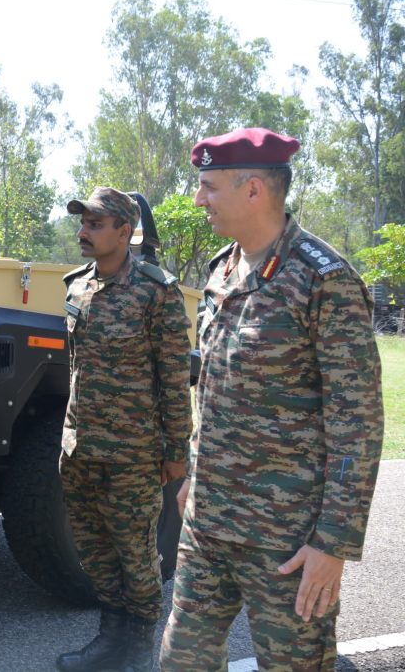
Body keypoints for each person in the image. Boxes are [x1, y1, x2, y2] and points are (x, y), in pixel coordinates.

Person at [159, 128, 384, 671]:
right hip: (208, 526)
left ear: (253, 190)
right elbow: (215, 390)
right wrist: (195, 472)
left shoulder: (322, 280)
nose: (198, 199)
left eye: (209, 187)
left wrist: (333, 545)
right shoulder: (220, 270)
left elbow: (357, 422)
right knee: (180, 662)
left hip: (286, 541)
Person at [56, 187, 193, 672]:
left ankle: (136, 652)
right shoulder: (76, 286)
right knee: (95, 552)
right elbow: (77, 368)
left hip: (133, 454)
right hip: (79, 449)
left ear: (124, 231)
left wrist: (177, 453)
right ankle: (108, 641)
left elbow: (175, 378)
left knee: (136, 557)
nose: (84, 231)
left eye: (95, 223)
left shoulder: (156, 291)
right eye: (83, 222)